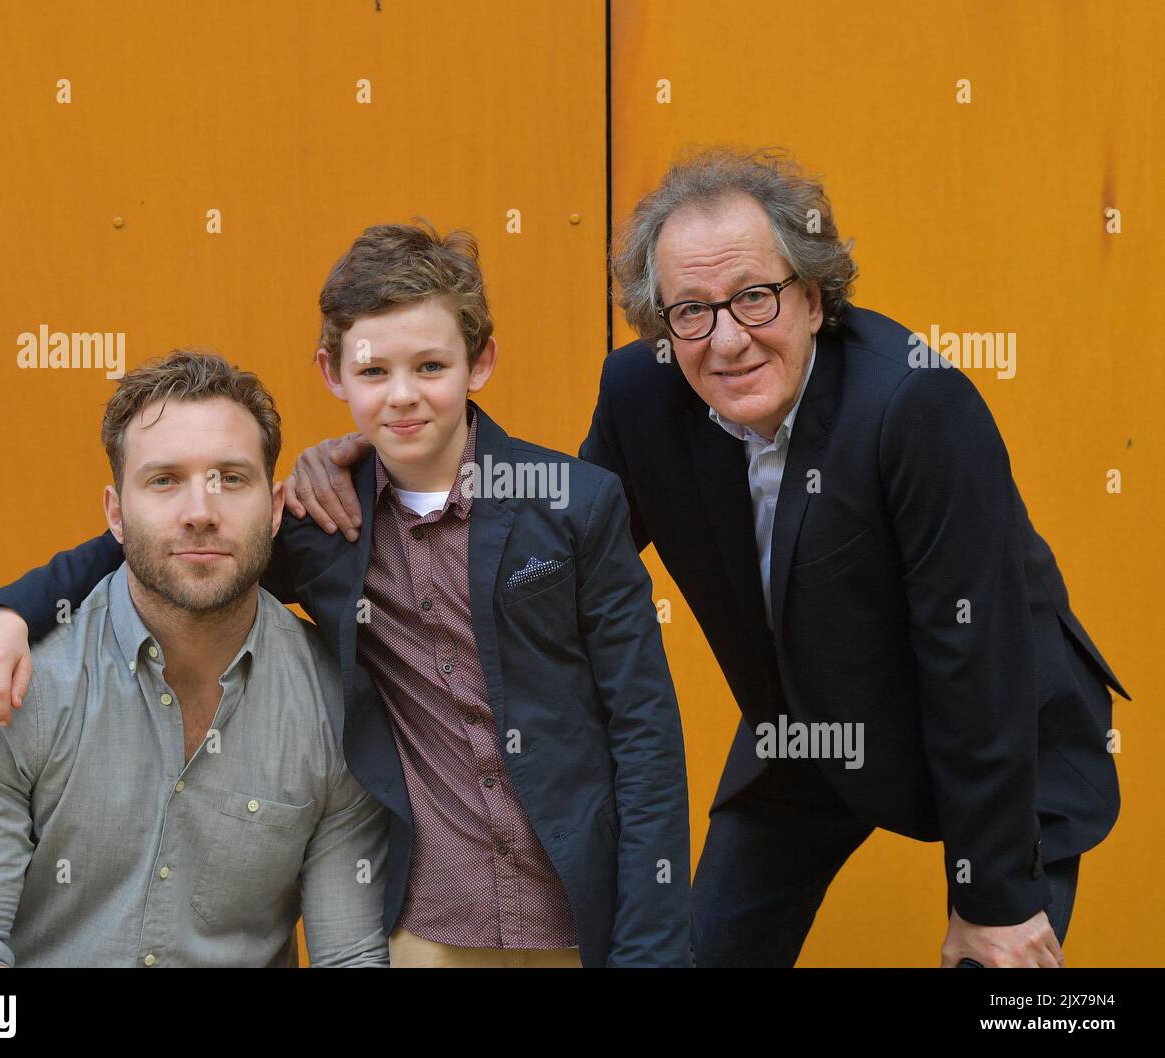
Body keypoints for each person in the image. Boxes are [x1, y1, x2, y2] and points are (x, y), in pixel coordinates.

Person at [286, 149, 1127, 968]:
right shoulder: (642, 396)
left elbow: (973, 657)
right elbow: (552, 543)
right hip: (807, 730)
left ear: (814, 296)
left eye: (755, 298)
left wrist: (992, 900)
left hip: (1002, 734)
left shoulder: (914, 405)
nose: (727, 341)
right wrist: (368, 458)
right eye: (691, 311)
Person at [0, 222, 692, 968]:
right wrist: (14, 615)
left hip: (583, 915)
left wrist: (651, 950)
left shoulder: (576, 504)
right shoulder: (319, 525)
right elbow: (157, 543)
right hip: (423, 927)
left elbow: (646, 734)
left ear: (480, 362)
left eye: (431, 365)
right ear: (332, 373)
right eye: (373, 372)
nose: (403, 397)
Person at [0, 351, 389, 967]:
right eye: (164, 480)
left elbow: (352, 957)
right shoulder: (11, 684)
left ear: (274, 506)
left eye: (231, 479)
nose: (200, 511)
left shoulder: (334, 702)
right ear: (114, 515)